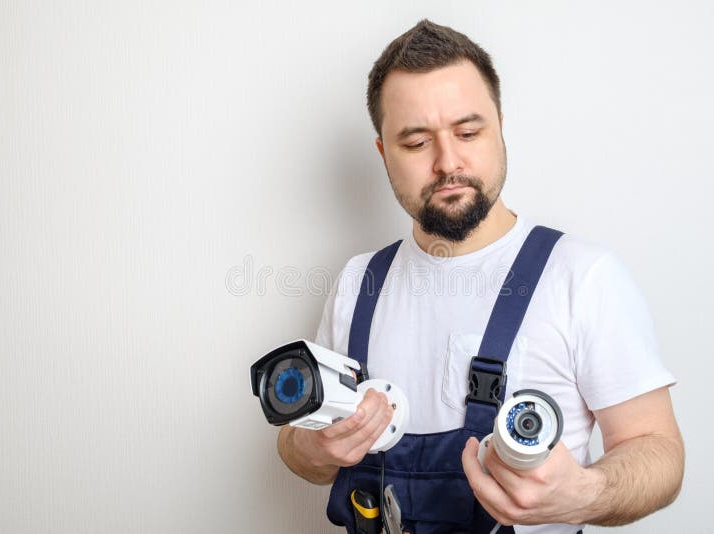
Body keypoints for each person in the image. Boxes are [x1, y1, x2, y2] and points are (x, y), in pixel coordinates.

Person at [277, 19, 684, 534]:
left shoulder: (583, 276)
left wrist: (585, 494)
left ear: (500, 127)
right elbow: (297, 447)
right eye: (416, 142)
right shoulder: (358, 283)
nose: (448, 162)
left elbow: (659, 451)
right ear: (383, 152)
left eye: (468, 132)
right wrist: (315, 449)